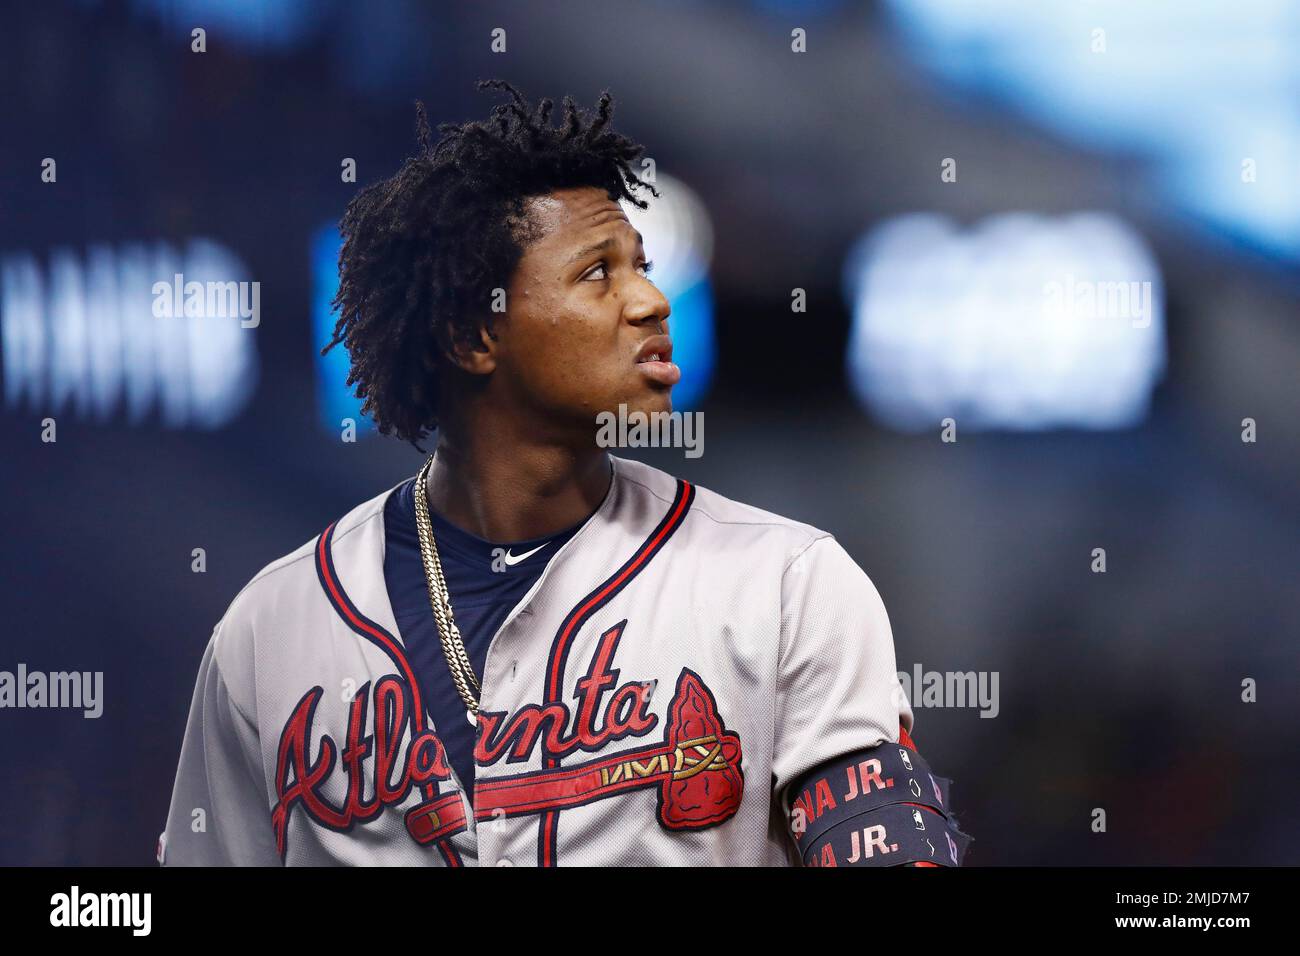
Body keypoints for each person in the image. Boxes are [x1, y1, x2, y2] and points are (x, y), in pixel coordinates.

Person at [160, 80, 969, 867]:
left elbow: (886, 842)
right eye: (597, 274)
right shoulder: (269, 628)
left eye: (643, 266)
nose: (652, 300)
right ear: (476, 335)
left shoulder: (789, 585)